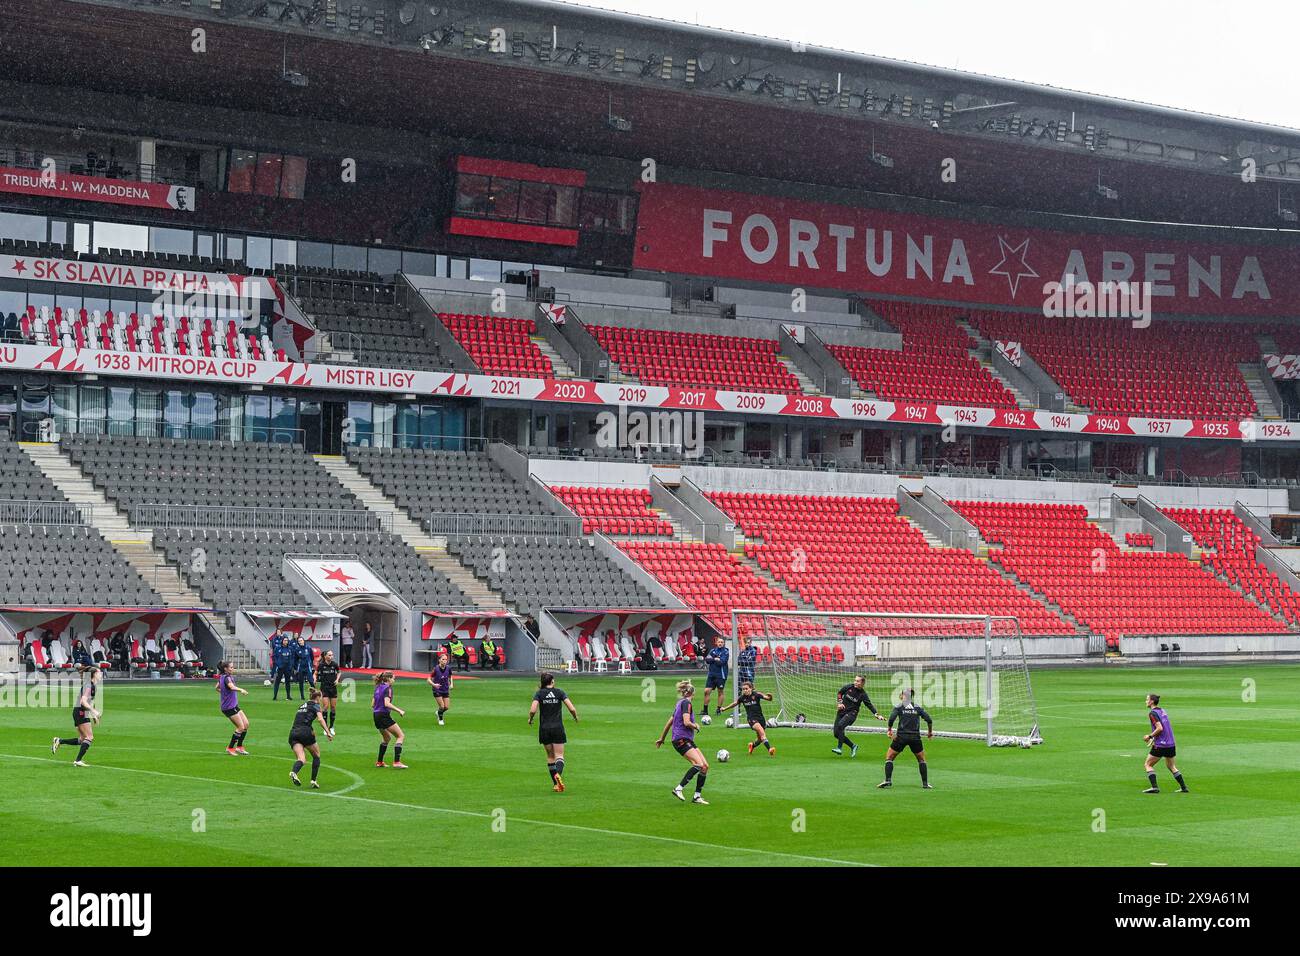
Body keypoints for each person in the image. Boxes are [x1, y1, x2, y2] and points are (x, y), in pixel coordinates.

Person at [655, 680, 710, 804]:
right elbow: (686, 722)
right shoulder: (687, 704)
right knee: (699, 764)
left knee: (705, 766)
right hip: (681, 739)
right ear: (693, 694)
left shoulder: (679, 703)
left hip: (685, 739)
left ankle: (697, 797)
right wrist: (695, 725)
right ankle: (678, 788)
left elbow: (670, 722)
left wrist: (662, 738)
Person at [528, 672, 579, 792]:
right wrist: (575, 716)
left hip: (544, 729)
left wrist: (530, 719)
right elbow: (571, 708)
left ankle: (556, 785)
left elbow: (533, 709)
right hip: (558, 728)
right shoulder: (559, 692)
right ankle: (558, 776)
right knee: (559, 756)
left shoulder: (539, 693)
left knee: (550, 757)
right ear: (552, 681)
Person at [877, 688, 934, 790]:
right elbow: (929, 720)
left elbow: (891, 718)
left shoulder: (899, 707)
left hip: (901, 737)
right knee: (921, 760)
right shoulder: (917, 707)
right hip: (915, 738)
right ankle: (925, 783)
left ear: (904, 695)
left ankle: (888, 780)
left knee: (889, 757)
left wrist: (889, 730)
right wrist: (929, 732)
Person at [52, 665, 100, 767]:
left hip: (79, 712)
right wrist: (93, 711)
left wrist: (93, 715)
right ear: (94, 674)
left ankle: (59, 741)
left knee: (82, 739)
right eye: (99, 672)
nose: (101, 674)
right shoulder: (89, 686)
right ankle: (78, 760)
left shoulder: (91, 685)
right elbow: (83, 701)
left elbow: (88, 702)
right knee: (89, 737)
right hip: (80, 712)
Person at [288, 688, 334, 789]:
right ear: (318, 697)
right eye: (321, 697)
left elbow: (301, 720)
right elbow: (320, 719)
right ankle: (313, 780)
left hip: (293, 733)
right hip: (305, 733)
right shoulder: (315, 705)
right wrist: (328, 732)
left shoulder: (302, 705)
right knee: (316, 755)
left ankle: (294, 772)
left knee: (301, 759)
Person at [1142, 694, 1189, 794]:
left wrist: (1150, 736)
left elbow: (1160, 728)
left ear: (1151, 702)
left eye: (1147, 700)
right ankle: (1184, 787)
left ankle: (1154, 787)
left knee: (1148, 764)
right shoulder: (1162, 711)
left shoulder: (1152, 713)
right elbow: (1165, 729)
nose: (1145, 701)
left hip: (1161, 745)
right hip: (1171, 744)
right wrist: (1155, 738)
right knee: (1171, 766)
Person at [831, 674, 885, 757]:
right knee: (836, 734)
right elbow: (840, 693)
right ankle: (853, 746)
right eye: (855, 680)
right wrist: (840, 702)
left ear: (862, 683)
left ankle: (839, 748)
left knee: (841, 725)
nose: (855, 682)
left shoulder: (863, 694)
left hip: (852, 714)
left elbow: (869, 705)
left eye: (857, 681)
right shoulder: (849, 687)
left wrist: (877, 715)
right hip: (841, 712)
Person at [721, 680, 775, 756]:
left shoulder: (756, 694)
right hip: (751, 719)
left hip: (761, 718)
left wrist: (770, 696)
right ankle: (770, 749)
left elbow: (769, 699)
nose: (745, 690)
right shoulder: (742, 698)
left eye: (746, 689)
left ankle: (752, 746)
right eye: (743, 689)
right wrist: (725, 708)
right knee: (762, 732)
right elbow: (734, 704)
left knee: (760, 739)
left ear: (751, 688)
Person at [372, 671, 408, 768]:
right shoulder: (388, 688)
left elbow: (372, 704)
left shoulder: (378, 687)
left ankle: (379, 762)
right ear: (388, 679)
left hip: (376, 715)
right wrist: (399, 710)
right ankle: (397, 762)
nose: (394, 680)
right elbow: (386, 703)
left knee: (386, 738)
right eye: (393, 678)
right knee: (400, 736)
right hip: (383, 715)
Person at [216, 661, 250, 755]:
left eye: (232, 667)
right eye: (230, 667)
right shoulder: (226, 678)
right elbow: (231, 687)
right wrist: (241, 689)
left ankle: (239, 747)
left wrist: (224, 694)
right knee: (240, 727)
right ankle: (230, 748)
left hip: (234, 705)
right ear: (225, 669)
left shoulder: (223, 677)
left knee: (246, 724)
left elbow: (217, 687)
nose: (232, 668)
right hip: (228, 707)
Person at [701, 635, 729, 716]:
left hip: (721, 675)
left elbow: (722, 662)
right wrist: (715, 659)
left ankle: (718, 709)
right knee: (706, 691)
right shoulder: (713, 650)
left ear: (723, 643)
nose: (720, 643)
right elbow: (707, 660)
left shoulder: (726, 651)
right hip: (711, 674)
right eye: (719, 642)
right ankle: (705, 710)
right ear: (716, 642)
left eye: (722, 642)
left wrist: (714, 659)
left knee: (720, 692)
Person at [315, 650, 341, 732]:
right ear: (325, 656)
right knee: (325, 707)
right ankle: (325, 727)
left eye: (332, 655)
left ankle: (332, 727)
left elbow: (339, 672)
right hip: (324, 688)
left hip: (333, 688)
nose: (331, 656)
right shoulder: (321, 665)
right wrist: (315, 679)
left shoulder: (334, 664)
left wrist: (337, 680)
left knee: (333, 707)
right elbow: (315, 673)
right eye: (329, 655)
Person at [427, 653, 453, 726]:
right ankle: (441, 719)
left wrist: (451, 684)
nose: (444, 661)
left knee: (446, 707)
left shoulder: (448, 668)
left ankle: (438, 712)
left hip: (445, 689)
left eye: (446, 659)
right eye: (443, 659)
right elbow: (428, 679)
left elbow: (450, 676)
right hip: (437, 690)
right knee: (441, 706)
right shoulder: (436, 669)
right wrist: (434, 685)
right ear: (439, 660)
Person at [271, 633, 294, 701]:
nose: (285, 642)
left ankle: (288, 696)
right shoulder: (278, 648)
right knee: (277, 682)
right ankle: (275, 696)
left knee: (287, 682)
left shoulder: (290, 649)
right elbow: (274, 657)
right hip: (280, 668)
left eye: (287, 640)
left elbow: (292, 658)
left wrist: (290, 665)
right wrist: (278, 664)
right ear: (282, 641)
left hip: (287, 668)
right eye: (284, 640)